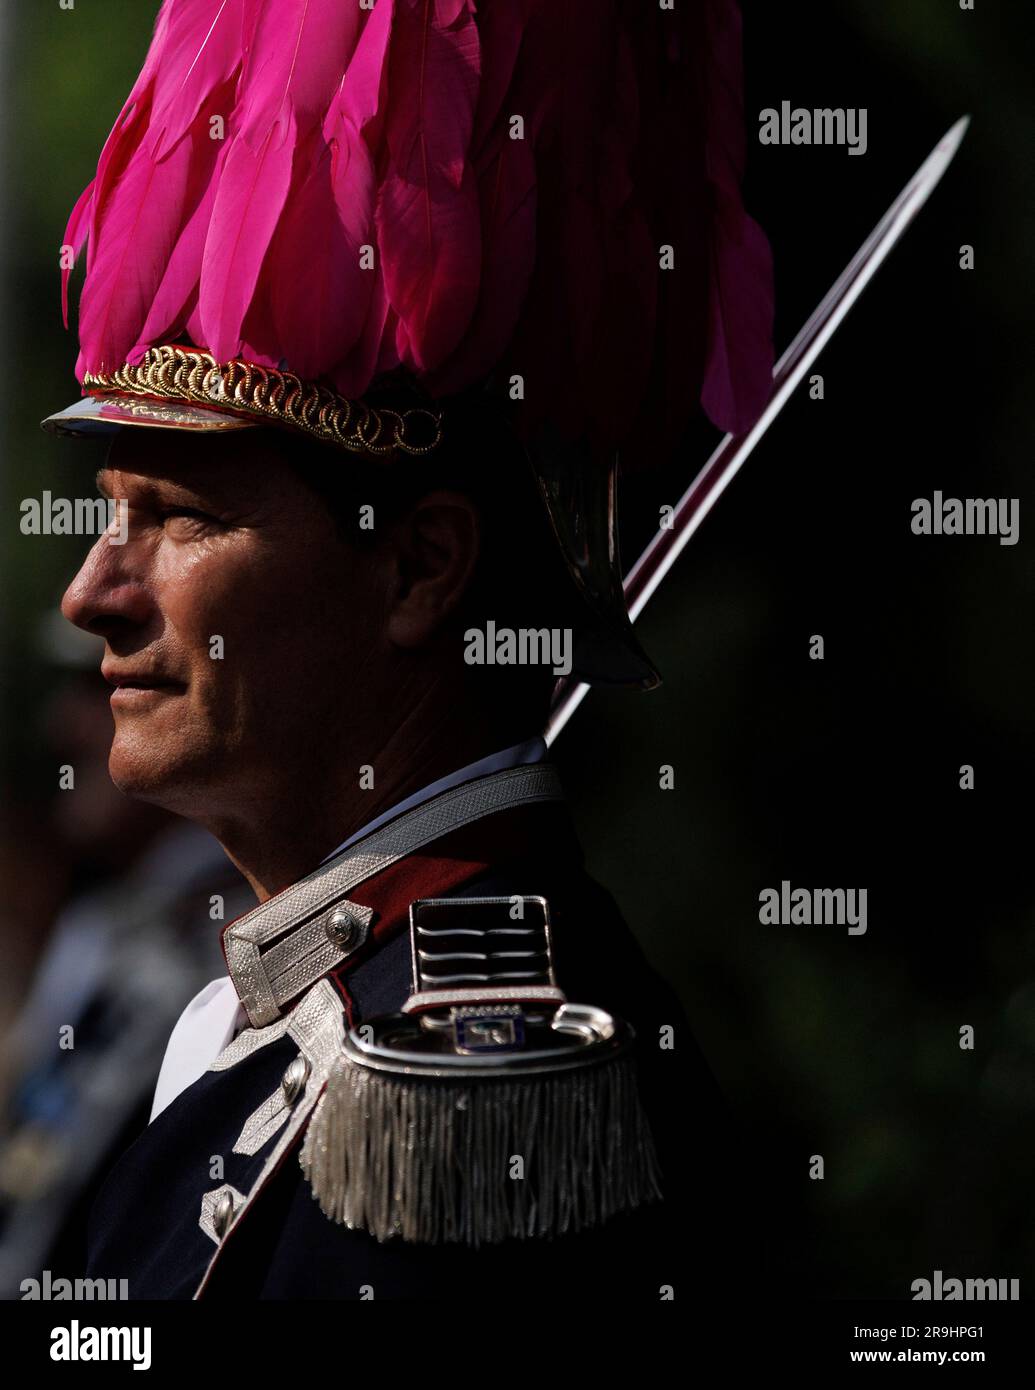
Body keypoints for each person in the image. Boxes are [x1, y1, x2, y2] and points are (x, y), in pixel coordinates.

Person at [43, 0, 773, 1299]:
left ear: (419, 568)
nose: (90, 594)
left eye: (179, 519)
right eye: (111, 519)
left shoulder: (478, 1087)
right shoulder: (280, 1004)